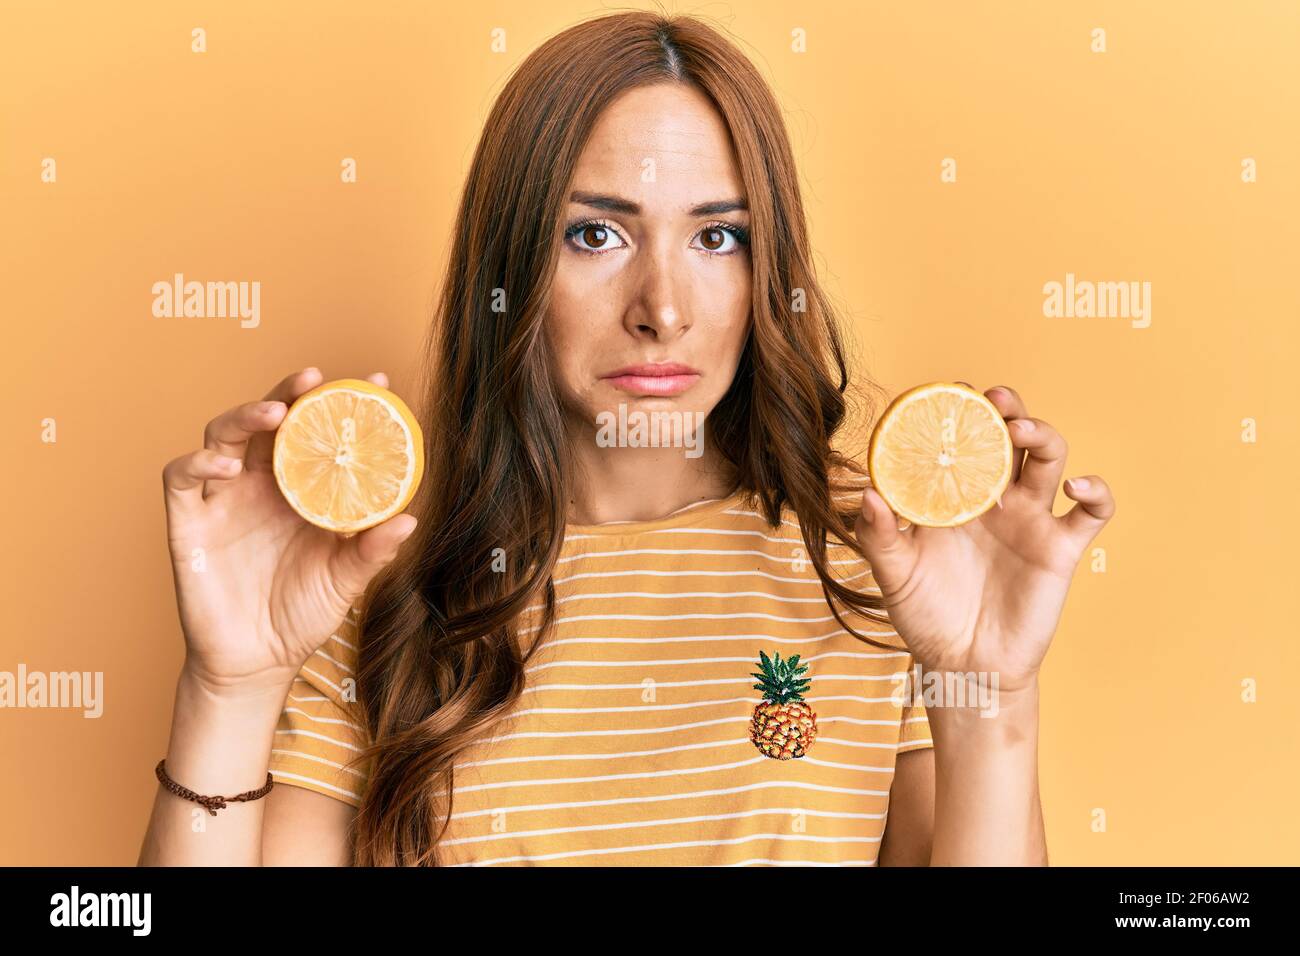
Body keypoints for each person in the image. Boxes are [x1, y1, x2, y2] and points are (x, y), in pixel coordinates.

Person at [139, 11, 1114, 867]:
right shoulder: (365, 598)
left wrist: (990, 693)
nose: (663, 307)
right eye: (596, 235)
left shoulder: (884, 567)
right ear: (511, 264)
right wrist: (228, 684)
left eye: (716, 236)